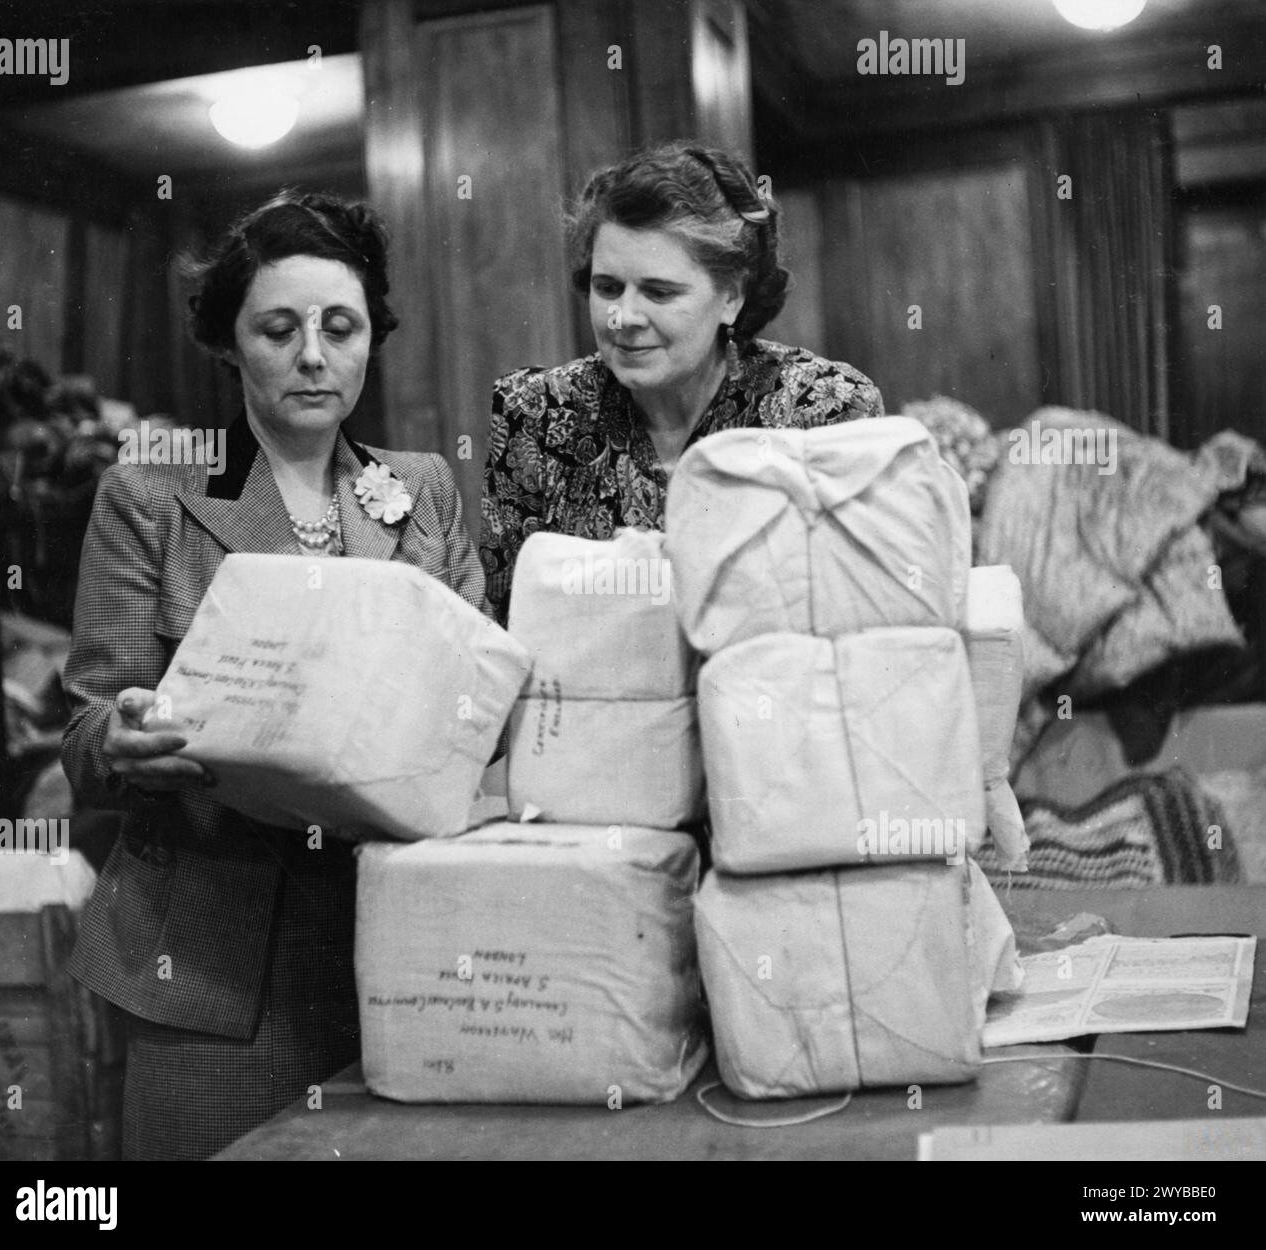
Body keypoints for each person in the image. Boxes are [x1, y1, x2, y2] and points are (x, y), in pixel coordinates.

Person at [61, 190, 485, 1160]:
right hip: (210, 954)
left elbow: (474, 686)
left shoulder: (420, 490)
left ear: (372, 333)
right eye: (278, 327)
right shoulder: (154, 492)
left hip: (400, 937)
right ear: (229, 341)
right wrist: (124, 735)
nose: (312, 354)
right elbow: (87, 729)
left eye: (341, 326)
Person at [480, 141, 885, 626]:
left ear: (731, 297)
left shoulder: (824, 410)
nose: (623, 317)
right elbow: (512, 625)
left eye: (659, 292)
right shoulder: (537, 415)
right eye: (607, 287)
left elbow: (859, 621)